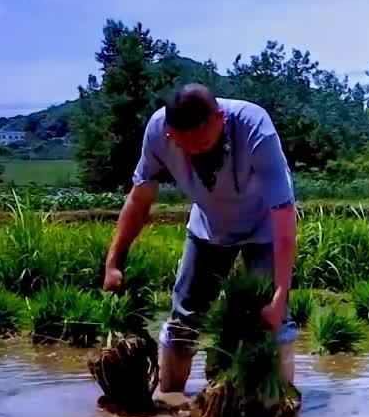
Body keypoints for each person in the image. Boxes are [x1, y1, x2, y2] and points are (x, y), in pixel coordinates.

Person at [102, 83, 298, 395]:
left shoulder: (255, 127)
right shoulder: (156, 131)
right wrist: (113, 262)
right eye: (186, 146)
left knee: (271, 323)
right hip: (209, 225)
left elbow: (285, 218)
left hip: (265, 227)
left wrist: (279, 295)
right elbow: (139, 201)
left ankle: (281, 409)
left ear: (220, 119)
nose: (196, 151)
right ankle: (170, 400)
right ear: (170, 134)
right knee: (183, 321)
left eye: (204, 142)